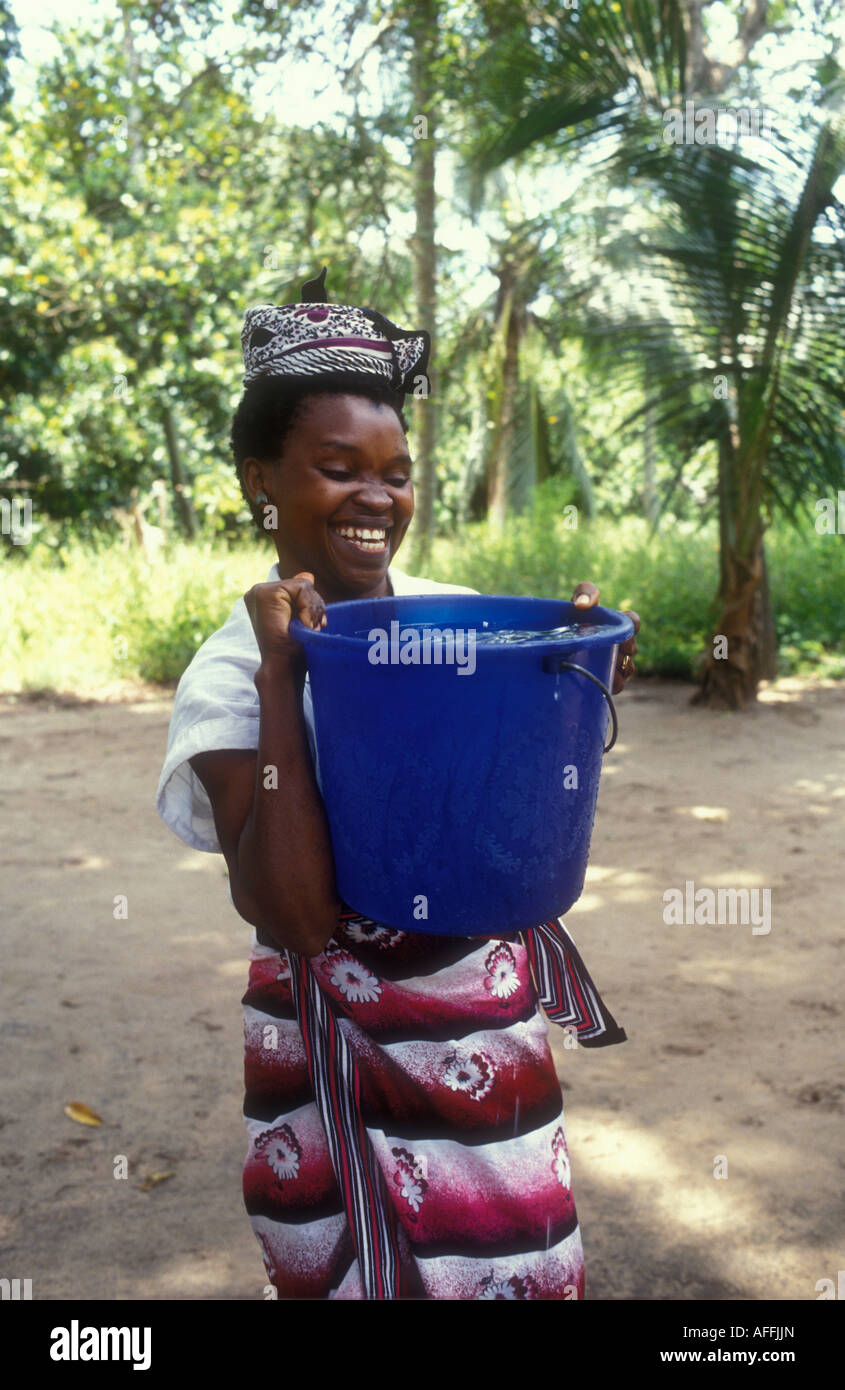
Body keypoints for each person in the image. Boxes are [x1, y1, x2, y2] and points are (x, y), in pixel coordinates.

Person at [156, 268, 640, 1300]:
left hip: (484, 1027)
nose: (377, 499)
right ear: (261, 478)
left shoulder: (454, 616)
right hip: (338, 1042)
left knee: (521, 1265)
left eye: (396, 471)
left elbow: (521, 805)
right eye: (338, 468)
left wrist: (574, 676)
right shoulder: (224, 679)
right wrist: (283, 672)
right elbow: (289, 909)